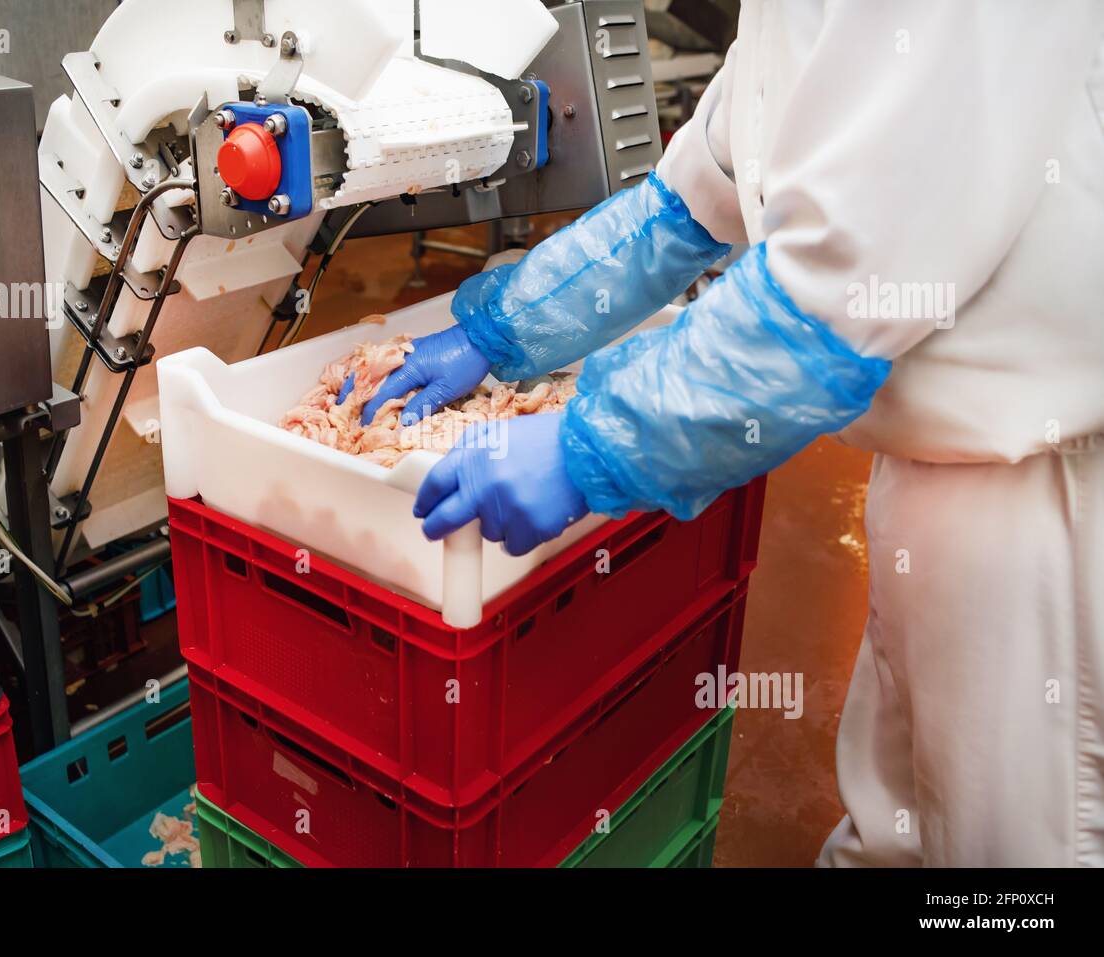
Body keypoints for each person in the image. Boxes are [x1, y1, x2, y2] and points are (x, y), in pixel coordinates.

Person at [340, 2, 1104, 865]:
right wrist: (501, 327)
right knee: (898, 828)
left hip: (1045, 495)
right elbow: (684, 209)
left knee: (1012, 861)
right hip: (932, 473)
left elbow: (832, 292)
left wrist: (591, 443)